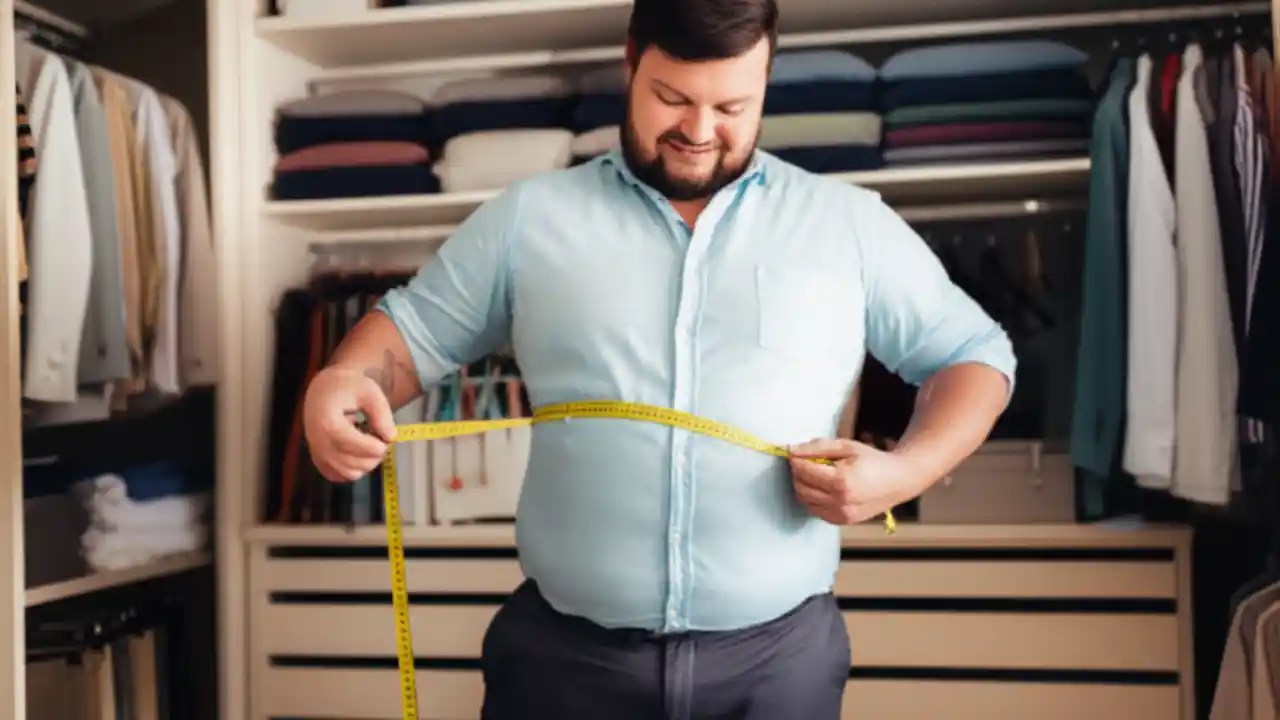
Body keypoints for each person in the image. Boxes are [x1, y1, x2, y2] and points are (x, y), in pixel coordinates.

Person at [301, 0, 1016, 716]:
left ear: (767, 78)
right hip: (563, 667)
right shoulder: (529, 219)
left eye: (732, 106)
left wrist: (905, 472)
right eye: (671, 98)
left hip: (778, 667)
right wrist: (343, 382)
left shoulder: (849, 224)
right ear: (630, 61)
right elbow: (404, 341)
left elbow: (974, 357)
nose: (699, 133)